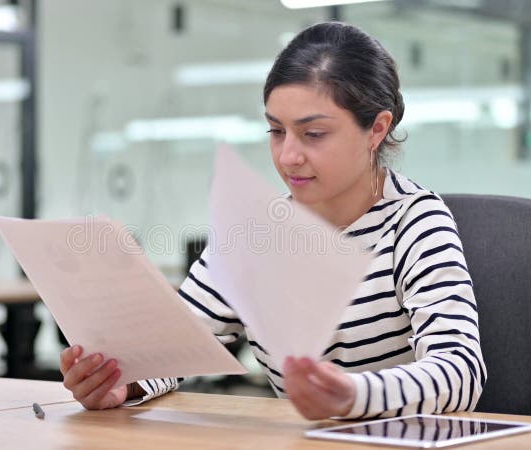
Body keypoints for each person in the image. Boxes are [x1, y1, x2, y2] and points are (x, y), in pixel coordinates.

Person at [60, 21, 486, 420]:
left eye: (313, 134)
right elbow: (176, 349)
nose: (288, 157)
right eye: (276, 131)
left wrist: (354, 395)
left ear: (376, 129)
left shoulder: (414, 221)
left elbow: (461, 370)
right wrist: (126, 384)